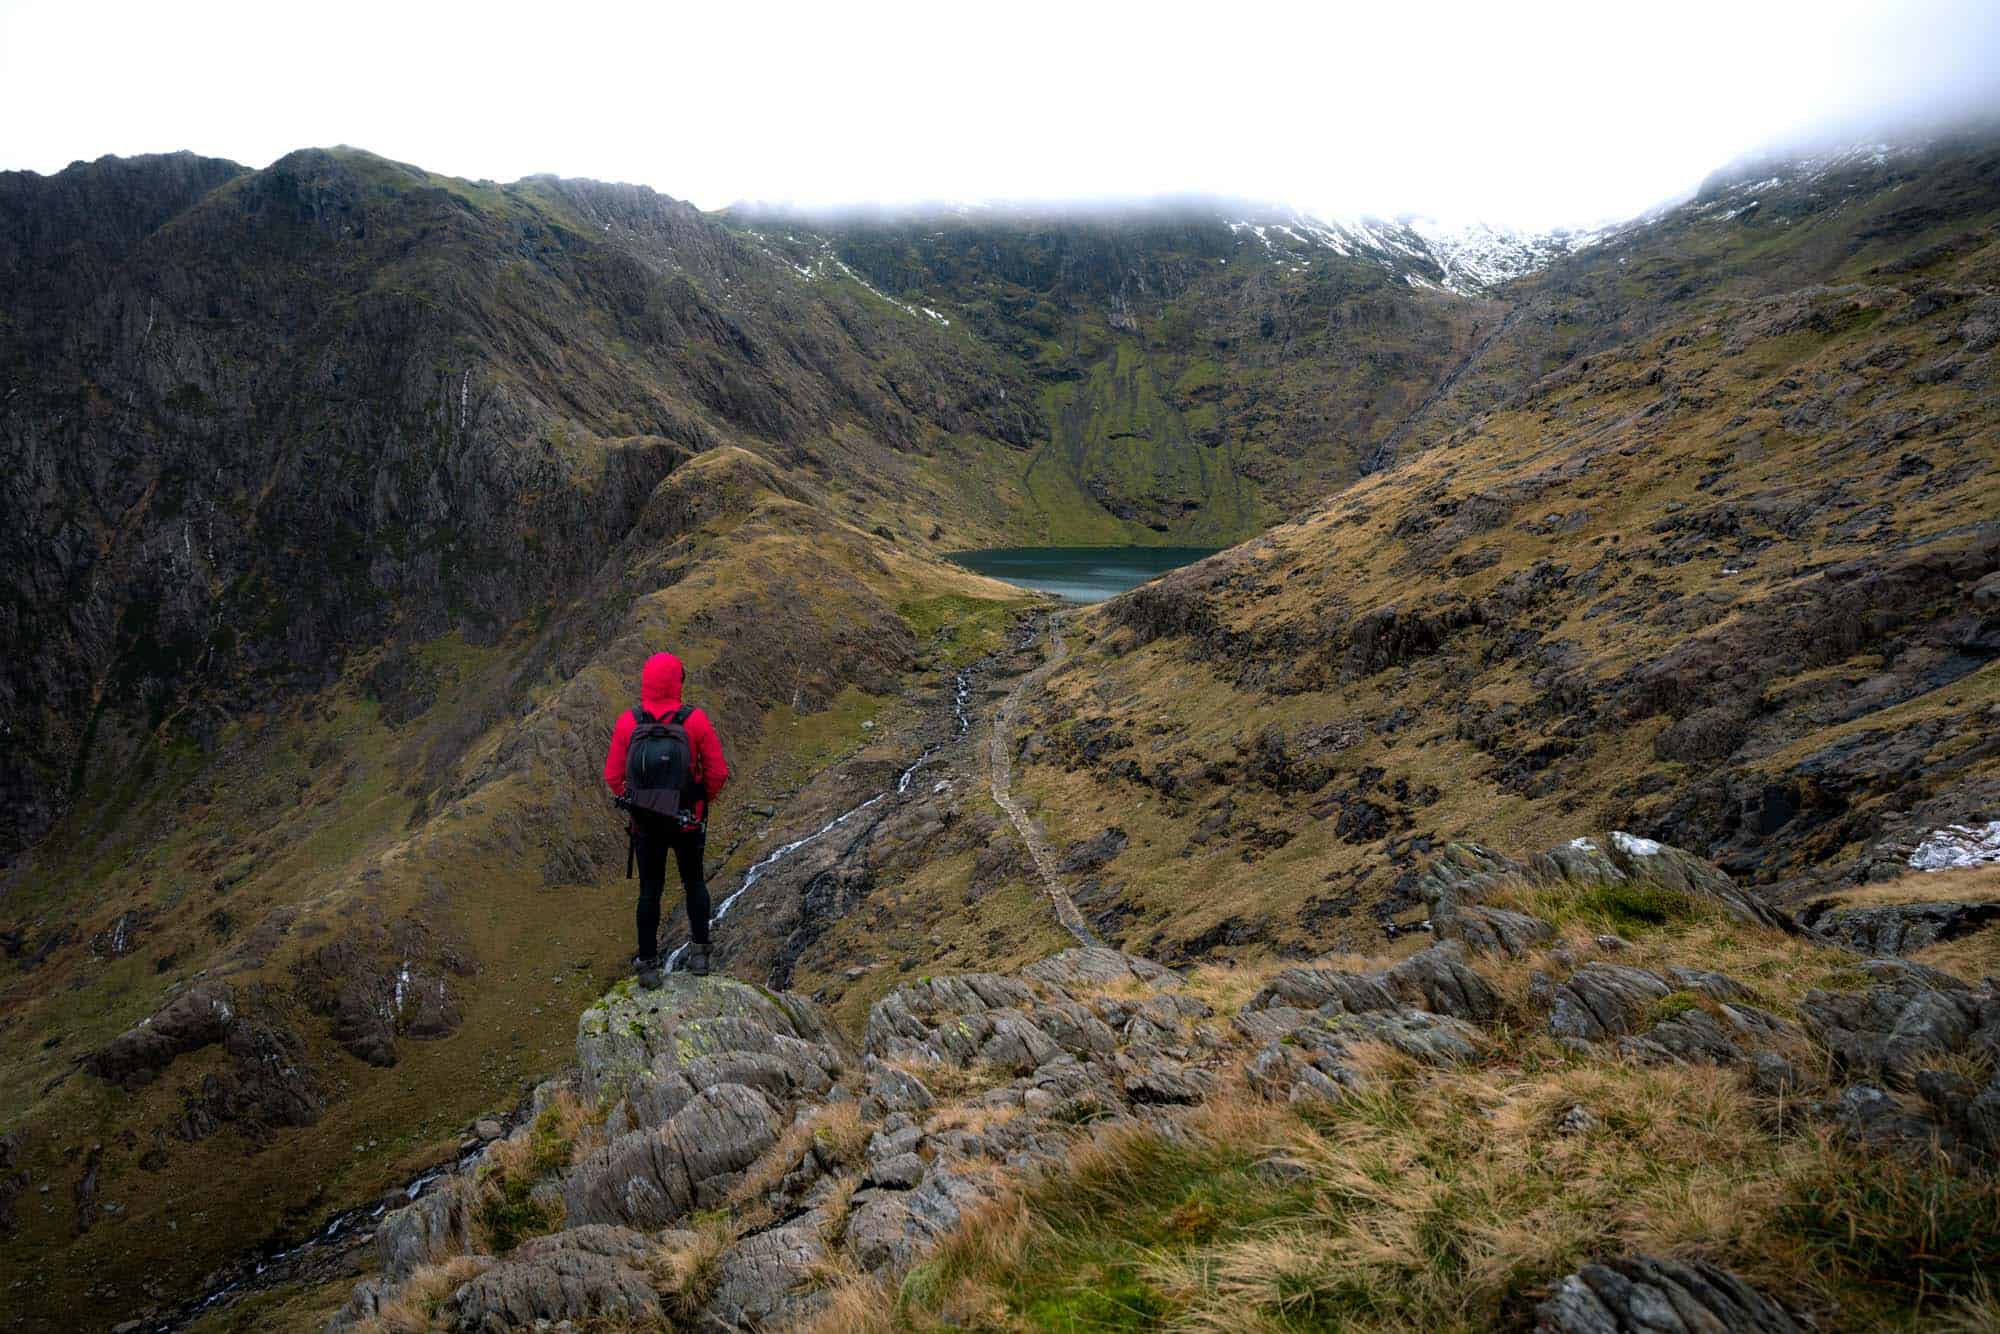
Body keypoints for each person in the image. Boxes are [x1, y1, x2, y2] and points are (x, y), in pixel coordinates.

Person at [603, 651, 728, 981]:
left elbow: (613, 776)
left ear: (646, 680)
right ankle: (701, 954)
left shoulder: (629, 722)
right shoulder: (694, 720)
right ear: (677, 682)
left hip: (646, 824)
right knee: (694, 883)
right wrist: (699, 802)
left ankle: (647, 964)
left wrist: (638, 803)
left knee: (649, 891)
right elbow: (718, 771)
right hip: (686, 821)